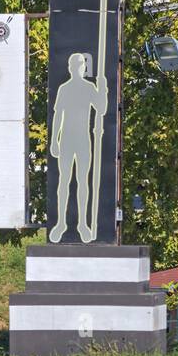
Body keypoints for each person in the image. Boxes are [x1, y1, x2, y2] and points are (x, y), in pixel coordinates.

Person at [49, 53, 107, 242]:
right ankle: (61, 223)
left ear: (83, 67)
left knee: (83, 181)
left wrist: (103, 88)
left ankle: (83, 223)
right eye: (75, 65)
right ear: (70, 67)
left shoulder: (89, 87)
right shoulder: (64, 89)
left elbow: (101, 109)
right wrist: (54, 140)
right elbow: (58, 115)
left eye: (80, 64)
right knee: (63, 181)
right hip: (67, 138)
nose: (77, 68)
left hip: (83, 139)